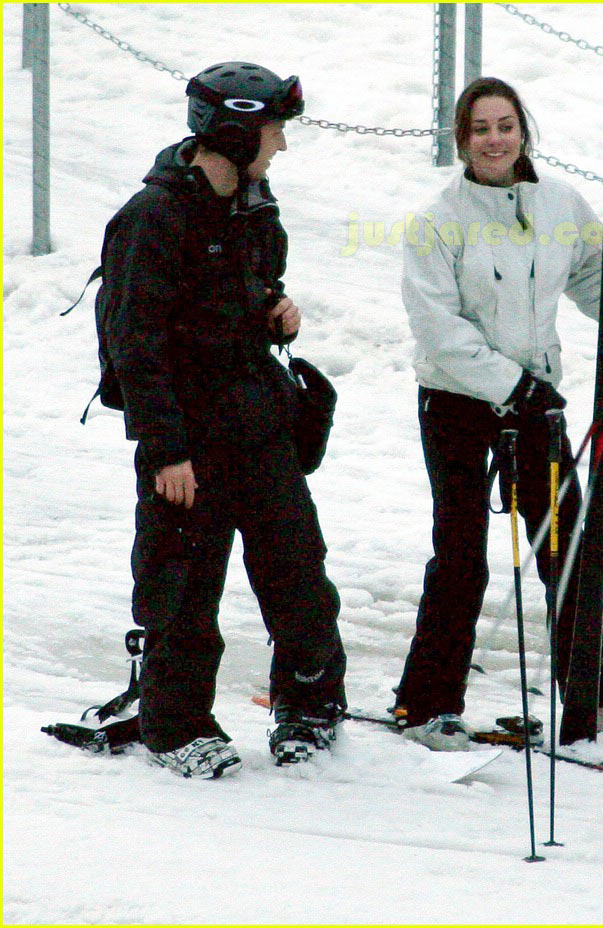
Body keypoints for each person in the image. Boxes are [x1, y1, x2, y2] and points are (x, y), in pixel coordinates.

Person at [393, 77, 603, 751]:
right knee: (460, 557)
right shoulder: (437, 221)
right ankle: (426, 704)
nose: (495, 140)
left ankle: (596, 691)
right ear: (462, 139)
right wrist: (512, 383)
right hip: (455, 399)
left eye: (505, 125)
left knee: (564, 543)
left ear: (523, 131)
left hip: (535, 400)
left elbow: (594, 275)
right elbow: (436, 328)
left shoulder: (558, 203)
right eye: (481, 129)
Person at [102, 62, 347, 777]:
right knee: (184, 588)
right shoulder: (150, 220)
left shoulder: (253, 201)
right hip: (187, 441)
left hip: (257, 422)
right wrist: (166, 449)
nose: (281, 146)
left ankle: (308, 704)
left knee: (299, 571)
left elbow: (251, 290)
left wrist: (279, 316)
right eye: (273, 131)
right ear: (235, 131)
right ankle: (175, 726)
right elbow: (134, 348)